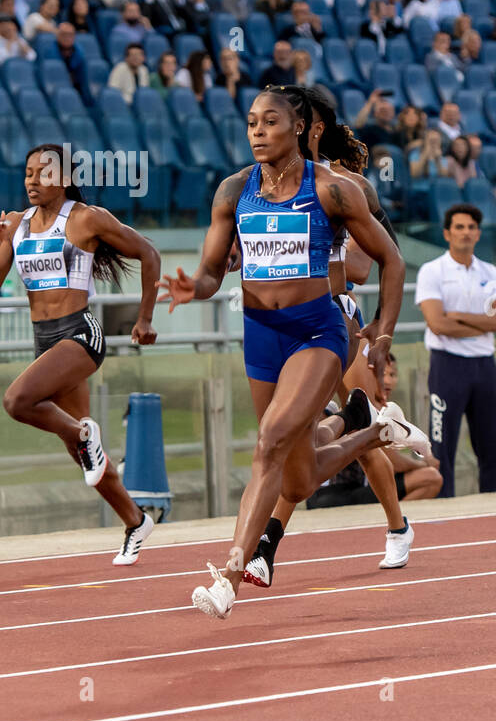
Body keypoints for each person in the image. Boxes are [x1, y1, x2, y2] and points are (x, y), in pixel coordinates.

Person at [160, 86, 414, 619]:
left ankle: (232, 573)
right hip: (262, 336)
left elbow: (391, 262)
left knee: (270, 441)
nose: (256, 131)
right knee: (297, 476)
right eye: (251, 122)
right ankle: (372, 428)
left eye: (269, 121)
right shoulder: (233, 191)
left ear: (298, 128)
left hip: (318, 332)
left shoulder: (334, 190)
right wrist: (195, 287)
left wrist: (382, 334)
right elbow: (211, 269)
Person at [241, 86, 431, 587]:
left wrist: (315, 247)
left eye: (280, 119)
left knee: (288, 437)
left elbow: (373, 265)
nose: (265, 130)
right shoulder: (262, 187)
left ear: (311, 127)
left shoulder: (344, 187)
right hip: (284, 326)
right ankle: (392, 515)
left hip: (333, 318)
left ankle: (387, 527)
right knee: (303, 435)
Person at [0, 145, 162, 564]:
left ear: (62, 179)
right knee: (84, 458)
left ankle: (84, 435)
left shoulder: (85, 218)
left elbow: (149, 253)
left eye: (42, 174)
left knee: (16, 401)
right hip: (45, 341)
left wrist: (144, 318)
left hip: (80, 334)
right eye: (27, 173)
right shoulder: (14, 224)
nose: (31, 181)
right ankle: (135, 521)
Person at [415, 203, 496, 497]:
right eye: (459, 227)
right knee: (442, 448)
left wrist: (458, 315)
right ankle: (444, 514)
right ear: (447, 233)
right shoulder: (432, 271)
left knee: (491, 447)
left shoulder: (491, 272)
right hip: (447, 366)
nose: (465, 233)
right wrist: (483, 325)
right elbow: (438, 324)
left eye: (471, 227)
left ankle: (494, 511)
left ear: (478, 234)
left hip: (484, 365)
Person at [306, 354, 444, 507]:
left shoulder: (383, 409)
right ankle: (396, 523)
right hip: (330, 495)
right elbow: (395, 463)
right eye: (382, 374)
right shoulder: (342, 406)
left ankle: (396, 522)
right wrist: (425, 464)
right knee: (429, 477)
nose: (387, 381)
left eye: (392, 374)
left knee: (428, 478)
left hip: (356, 489)